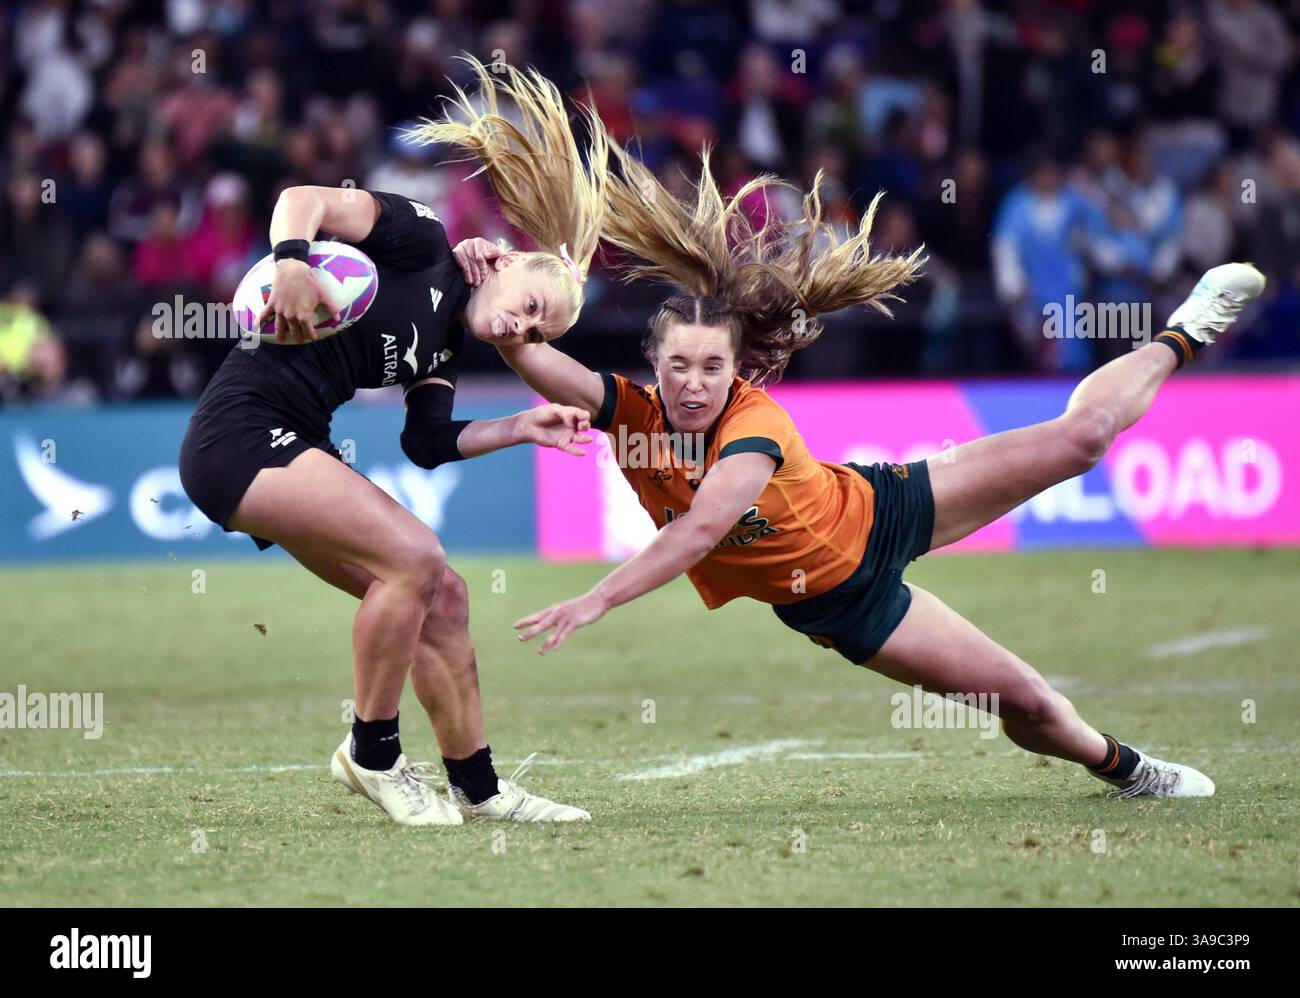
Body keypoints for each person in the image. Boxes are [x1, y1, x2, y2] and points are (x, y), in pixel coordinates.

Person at [459, 137, 1265, 800]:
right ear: (653, 364)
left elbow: (704, 529)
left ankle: (1184, 332)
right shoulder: (629, 411)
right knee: (1027, 704)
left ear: (736, 369)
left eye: (712, 367)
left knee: (1085, 437)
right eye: (679, 367)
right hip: (847, 603)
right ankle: (1126, 768)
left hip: (887, 507)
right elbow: (531, 352)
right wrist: (501, 307)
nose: (694, 383)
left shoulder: (755, 424)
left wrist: (596, 599)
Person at [179, 59, 609, 826]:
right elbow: (298, 199)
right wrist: (291, 265)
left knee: (442, 596)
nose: (522, 328)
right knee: (415, 558)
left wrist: (519, 426)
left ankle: (480, 791)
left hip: (292, 441)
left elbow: (427, 442)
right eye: (532, 307)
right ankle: (372, 755)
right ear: (506, 263)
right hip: (239, 434)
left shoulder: (445, 347)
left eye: (537, 334)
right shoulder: (421, 238)